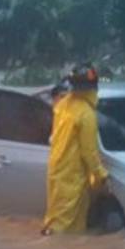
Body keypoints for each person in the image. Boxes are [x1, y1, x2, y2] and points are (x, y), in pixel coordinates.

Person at [42, 63, 108, 235]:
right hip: (72, 176)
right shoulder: (86, 114)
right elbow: (89, 152)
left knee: (61, 221)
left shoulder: (63, 105)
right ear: (94, 87)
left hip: (57, 170)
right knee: (62, 227)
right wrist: (101, 175)